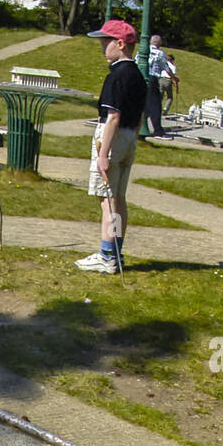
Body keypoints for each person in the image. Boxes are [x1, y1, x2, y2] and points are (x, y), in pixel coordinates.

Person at [75, 17, 147, 275]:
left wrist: (103, 154)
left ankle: (107, 256)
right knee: (118, 199)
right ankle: (115, 252)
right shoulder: (138, 75)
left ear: (120, 43)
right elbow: (138, 117)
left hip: (113, 138)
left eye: (106, 42)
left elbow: (112, 117)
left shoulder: (117, 75)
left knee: (107, 200)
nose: (102, 47)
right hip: (129, 138)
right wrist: (132, 141)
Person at [145, 34, 171, 137]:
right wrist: (174, 79)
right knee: (155, 105)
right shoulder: (160, 53)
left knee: (144, 104)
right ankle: (158, 130)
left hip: (141, 77)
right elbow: (166, 68)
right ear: (159, 44)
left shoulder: (143, 50)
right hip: (152, 79)